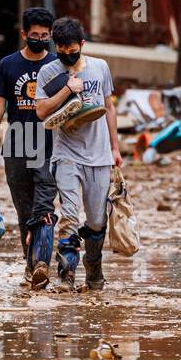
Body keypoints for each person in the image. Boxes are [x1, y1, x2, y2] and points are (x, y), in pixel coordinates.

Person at [34, 17, 121, 291]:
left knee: (96, 220)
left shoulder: (100, 67)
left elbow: (109, 106)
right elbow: (41, 111)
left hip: (99, 153)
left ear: (81, 45)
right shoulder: (48, 72)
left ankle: (93, 266)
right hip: (66, 152)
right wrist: (67, 89)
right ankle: (66, 274)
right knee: (70, 213)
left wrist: (116, 148)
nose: (67, 55)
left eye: (72, 49)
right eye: (61, 49)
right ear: (55, 46)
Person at [0, 7, 58, 289]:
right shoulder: (8, 65)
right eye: (34, 34)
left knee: (44, 206)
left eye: (45, 35)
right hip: (16, 145)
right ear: (24, 34)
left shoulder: (56, 65)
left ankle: (42, 263)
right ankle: (31, 264)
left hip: (49, 143)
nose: (39, 39)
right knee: (24, 210)